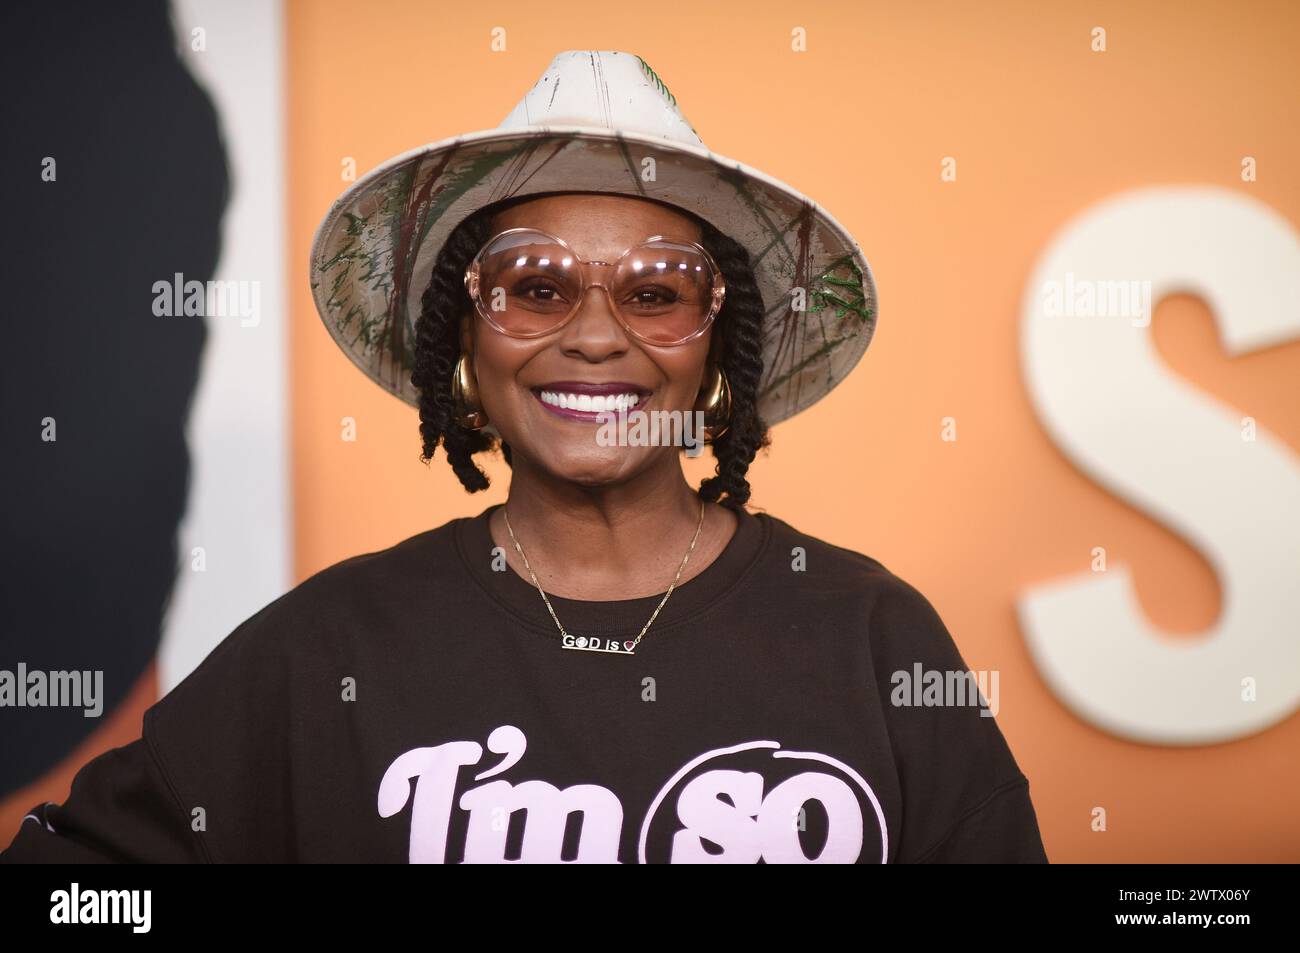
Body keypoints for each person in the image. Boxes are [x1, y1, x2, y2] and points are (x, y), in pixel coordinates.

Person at [1, 50, 1047, 863]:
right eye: (536, 288)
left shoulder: (870, 633)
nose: (593, 336)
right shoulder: (329, 649)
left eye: (654, 293)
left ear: (716, 348)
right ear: (465, 340)